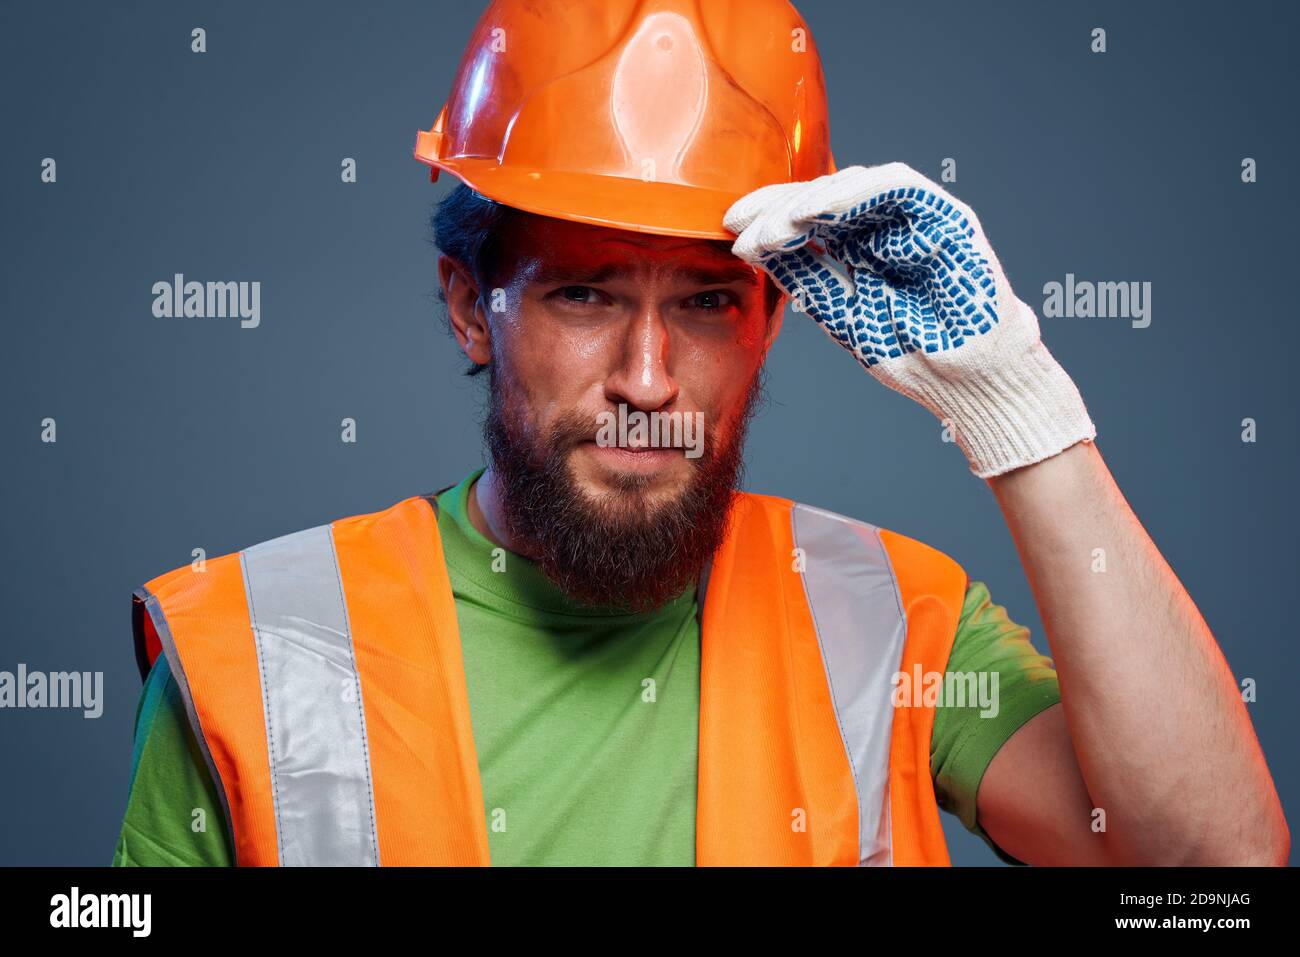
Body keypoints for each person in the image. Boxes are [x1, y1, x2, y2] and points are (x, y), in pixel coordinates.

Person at [113, 0, 1286, 867]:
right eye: (583, 295)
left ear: (772, 318)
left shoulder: (894, 615)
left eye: (706, 303)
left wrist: (1017, 409)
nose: (646, 378)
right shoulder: (255, 649)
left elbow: (1214, 879)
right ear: (474, 306)